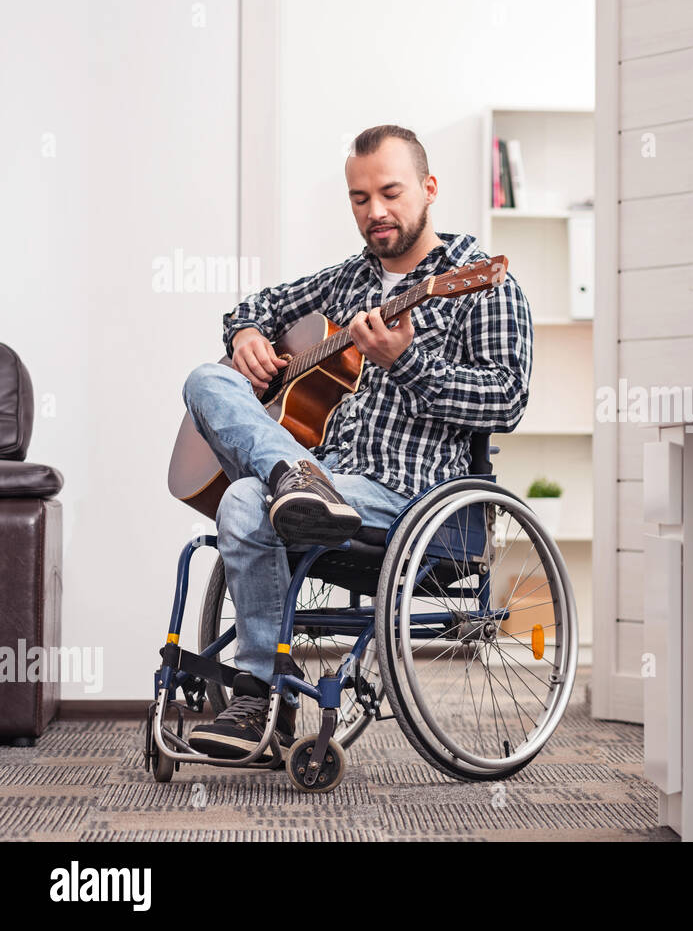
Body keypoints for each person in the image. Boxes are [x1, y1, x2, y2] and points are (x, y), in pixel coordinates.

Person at [180, 124, 532, 758]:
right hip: (324, 482)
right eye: (360, 198)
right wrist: (248, 335)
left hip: (414, 499)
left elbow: (507, 400)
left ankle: (257, 689)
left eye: (390, 193)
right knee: (206, 379)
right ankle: (263, 696)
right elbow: (256, 305)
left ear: (428, 188)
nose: (376, 213)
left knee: (239, 502)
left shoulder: (483, 285)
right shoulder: (350, 279)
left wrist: (406, 363)